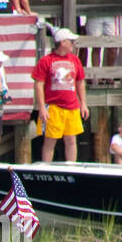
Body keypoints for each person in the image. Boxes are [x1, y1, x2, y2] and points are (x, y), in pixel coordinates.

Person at [32, 27, 88, 162]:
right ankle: (47, 167)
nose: (73, 44)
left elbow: (80, 82)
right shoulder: (46, 60)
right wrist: (41, 107)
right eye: (71, 41)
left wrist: (83, 104)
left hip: (72, 106)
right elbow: (38, 84)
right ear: (63, 42)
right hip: (53, 106)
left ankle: (72, 168)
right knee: (50, 140)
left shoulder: (75, 60)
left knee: (71, 140)